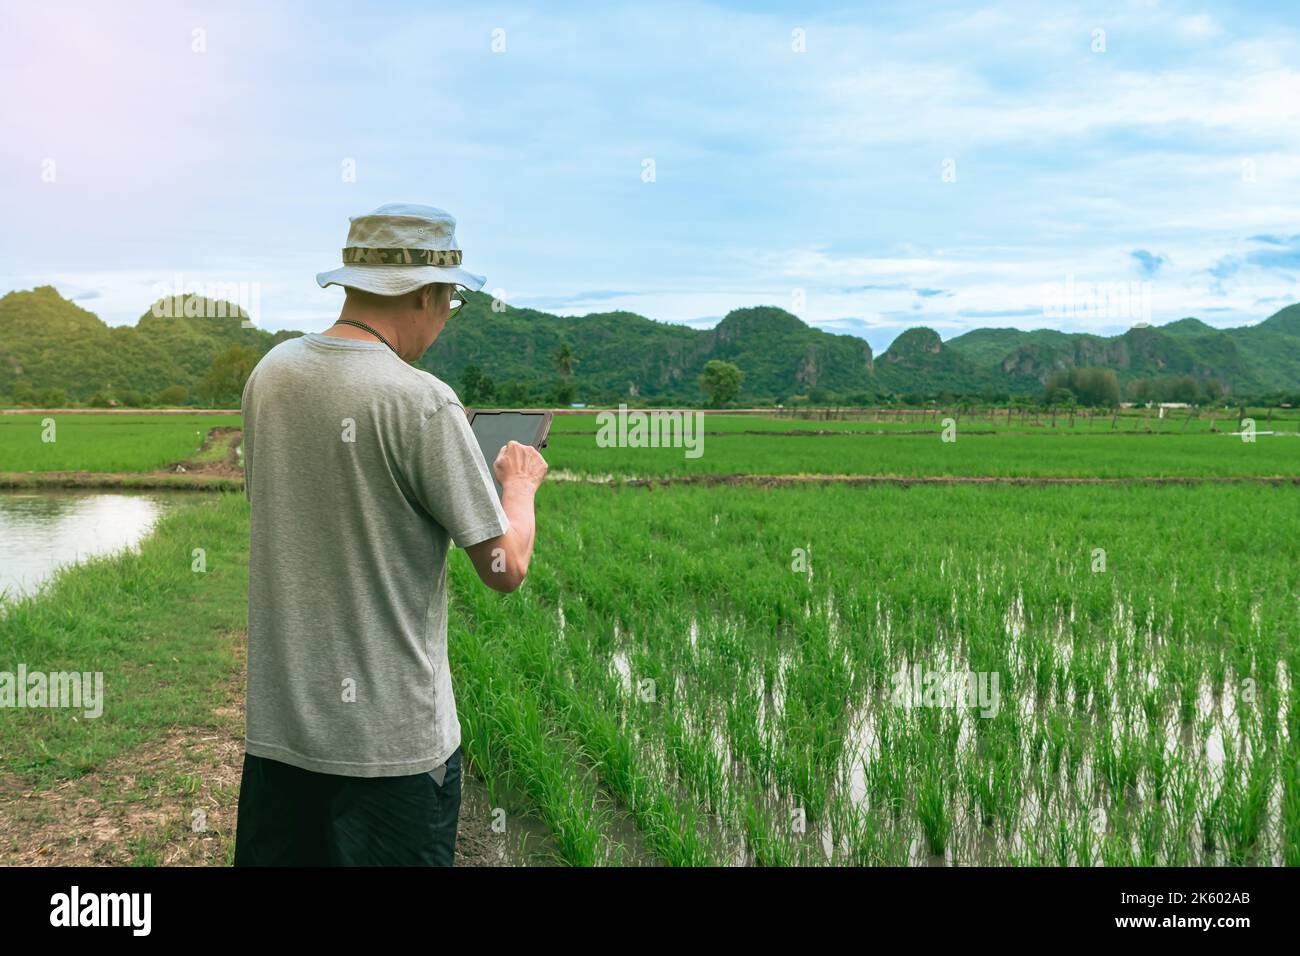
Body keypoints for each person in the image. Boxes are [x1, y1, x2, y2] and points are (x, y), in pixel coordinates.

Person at [233, 203, 547, 866]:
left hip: (281, 739)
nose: (444, 317)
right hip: (392, 755)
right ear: (428, 293)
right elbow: (503, 568)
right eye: (451, 300)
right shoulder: (422, 401)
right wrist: (517, 487)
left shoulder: (271, 376)